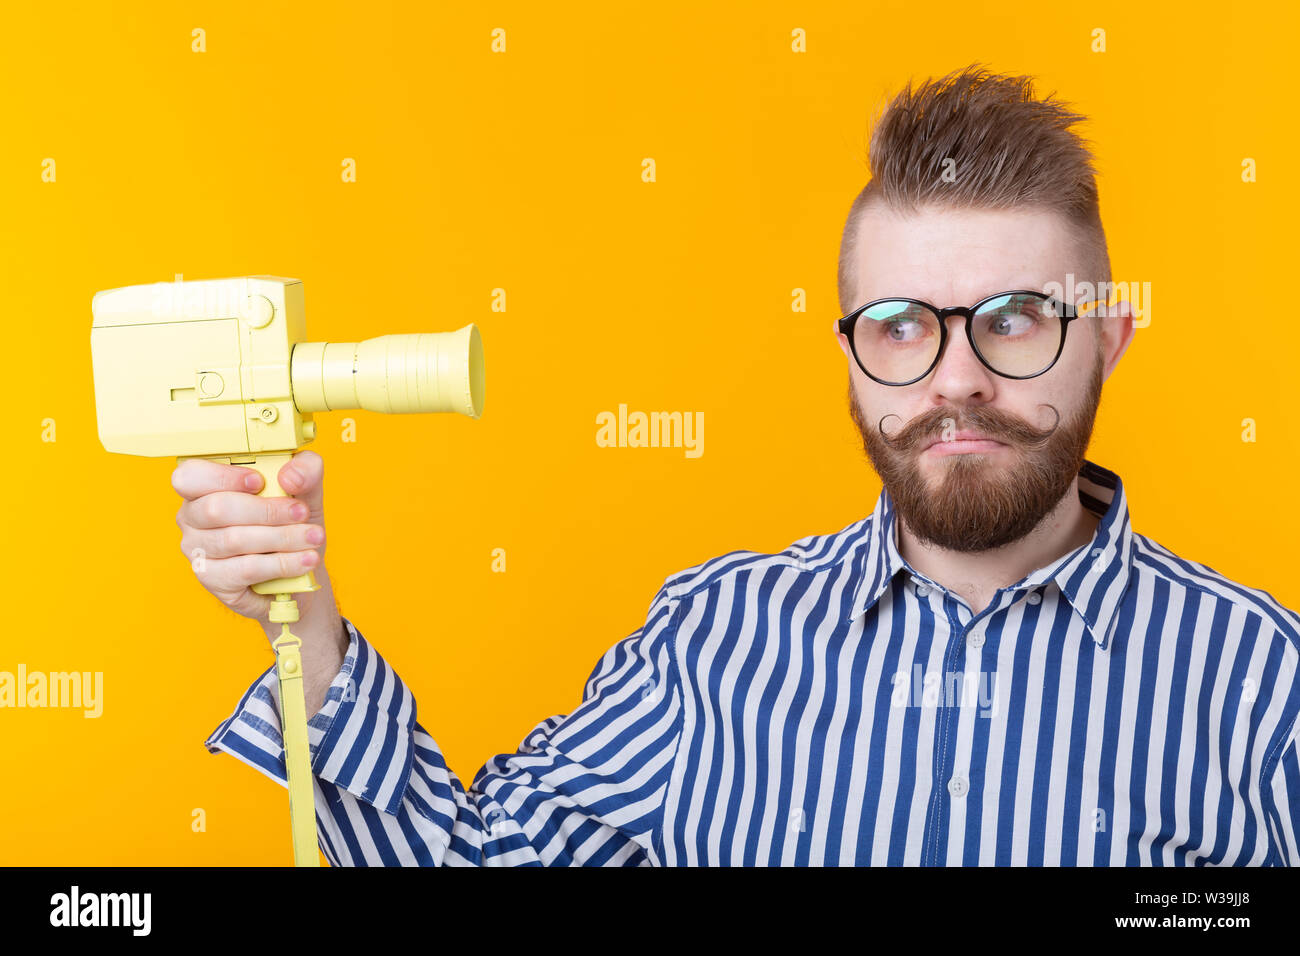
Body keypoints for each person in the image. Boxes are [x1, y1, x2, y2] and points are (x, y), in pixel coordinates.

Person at [175, 64, 1300, 865]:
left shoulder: (1268, 684)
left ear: (1107, 334)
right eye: (902, 324)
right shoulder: (710, 635)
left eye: (1012, 318)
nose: (954, 379)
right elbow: (469, 854)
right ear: (853, 353)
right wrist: (306, 621)